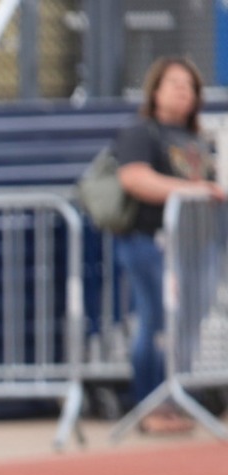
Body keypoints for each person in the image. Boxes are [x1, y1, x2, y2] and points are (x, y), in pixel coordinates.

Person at [112, 55, 223, 435]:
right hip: (150, 242)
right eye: (174, 83)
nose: (182, 90)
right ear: (155, 90)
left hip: (197, 246)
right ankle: (149, 405)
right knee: (156, 320)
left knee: (188, 325)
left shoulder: (199, 139)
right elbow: (134, 178)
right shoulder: (141, 133)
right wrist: (192, 190)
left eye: (189, 85)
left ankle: (173, 401)